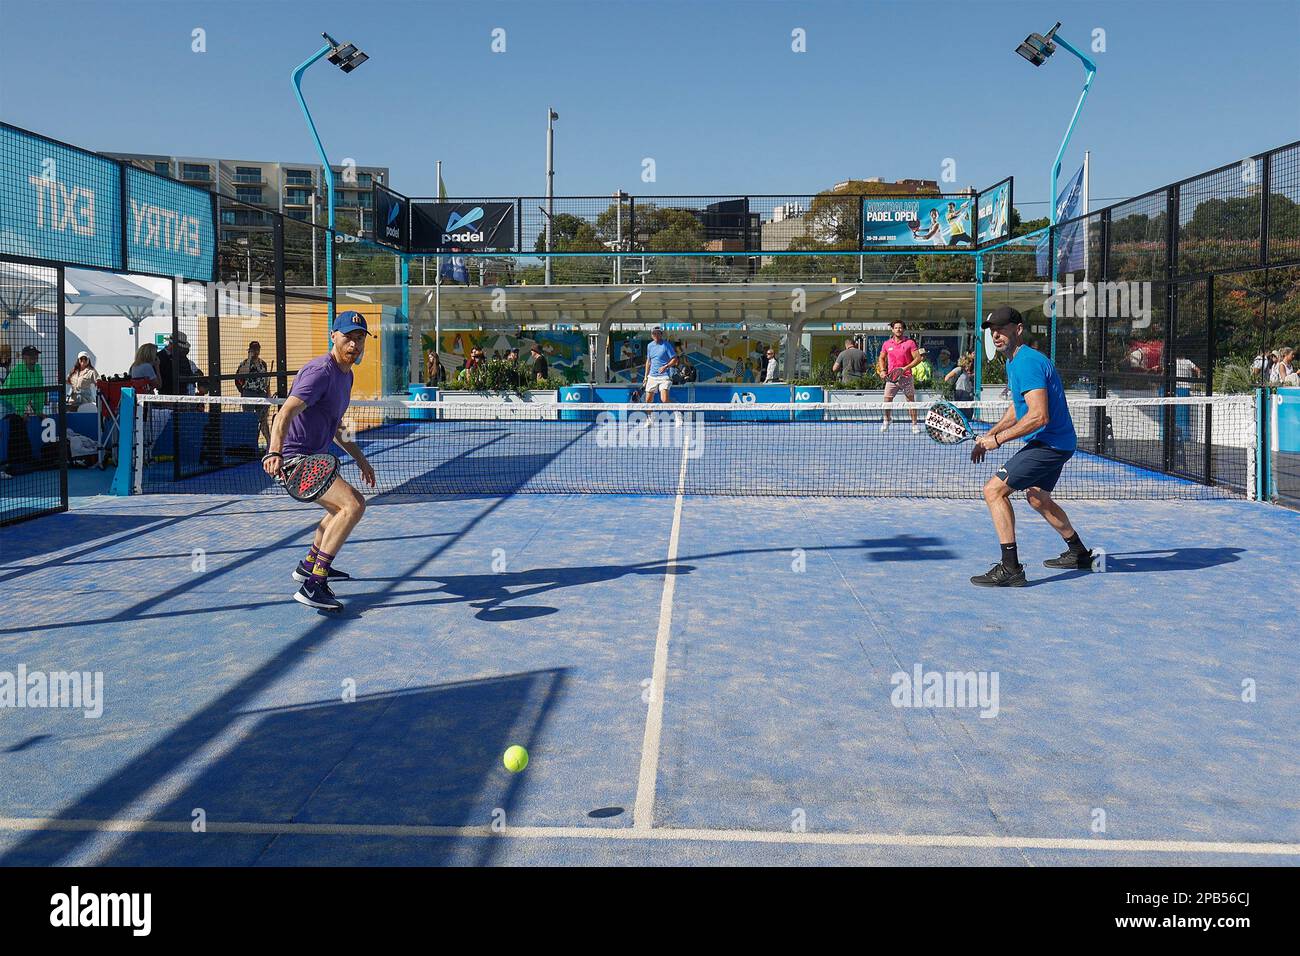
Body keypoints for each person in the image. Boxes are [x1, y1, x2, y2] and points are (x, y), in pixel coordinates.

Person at [263, 311, 377, 612]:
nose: (354, 344)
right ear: (333, 336)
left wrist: (362, 459)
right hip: (294, 460)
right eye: (348, 337)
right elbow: (284, 413)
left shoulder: (346, 375)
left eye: (359, 338)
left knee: (337, 511)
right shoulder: (320, 372)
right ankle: (314, 584)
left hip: (315, 458)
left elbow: (337, 425)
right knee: (353, 504)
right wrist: (275, 452)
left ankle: (309, 564)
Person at [969, 306, 1091, 588]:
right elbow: (1018, 408)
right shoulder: (1014, 362)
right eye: (992, 330)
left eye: (1002, 328)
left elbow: (1039, 416)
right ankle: (1080, 554)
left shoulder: (1026, 362)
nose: (996, 335)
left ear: (1018, 329)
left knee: (994, 490)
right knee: (1037, 498)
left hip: (1050, 443)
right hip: (1057, 441)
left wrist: (997, 441)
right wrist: (991, 433)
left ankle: (1010, 569)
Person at [877, 320, 921, 433]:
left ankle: (914, 425)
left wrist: (905, 368)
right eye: (896, 328)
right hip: (892, 379)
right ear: (892, 330)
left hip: (906, 377)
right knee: (887, 400)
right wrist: (882, 370)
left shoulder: (910, 343)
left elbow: (918, 358)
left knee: (911, 401)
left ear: (903, 329)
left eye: (900, 327)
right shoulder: (887, 344)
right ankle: (887, 420)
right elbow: (881, 358)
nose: (898, 329)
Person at [235, 341, 271, 447]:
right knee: (249, 419)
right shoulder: (244, 363)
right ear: (249, 350)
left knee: (264, 420)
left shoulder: (263, 364)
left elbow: (266, 379)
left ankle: (269, 444)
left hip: (261, 393)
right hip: (248, 393)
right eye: (253, 350)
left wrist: (268, 393)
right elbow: (242, 374)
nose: (256, 352)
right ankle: (251, 445)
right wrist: (250, 360)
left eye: (257, 349)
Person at [5, 345, 45, 415]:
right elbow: (19, 393)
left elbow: (39, 392)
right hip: (5, 403)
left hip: (18, 405)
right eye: (30, 354)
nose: (33, 356)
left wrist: (39, 411)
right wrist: (20, 413)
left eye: (35, 354)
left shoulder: (38, 369)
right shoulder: (19, 369)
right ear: (23, 357)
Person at [643, 326, 677, 404]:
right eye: (654, 333)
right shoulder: (649, 346)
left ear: (661, 335)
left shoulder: (666, 345)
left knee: (664, 400)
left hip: (664, 376)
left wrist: (666, 366)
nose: (656, 335)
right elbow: (648, 361)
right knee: (647, 401)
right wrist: (645, 377)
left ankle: (677, 411)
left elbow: (675, 359)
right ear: (652, 335)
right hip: (652, 376)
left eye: (658, 333)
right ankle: (650, 416)